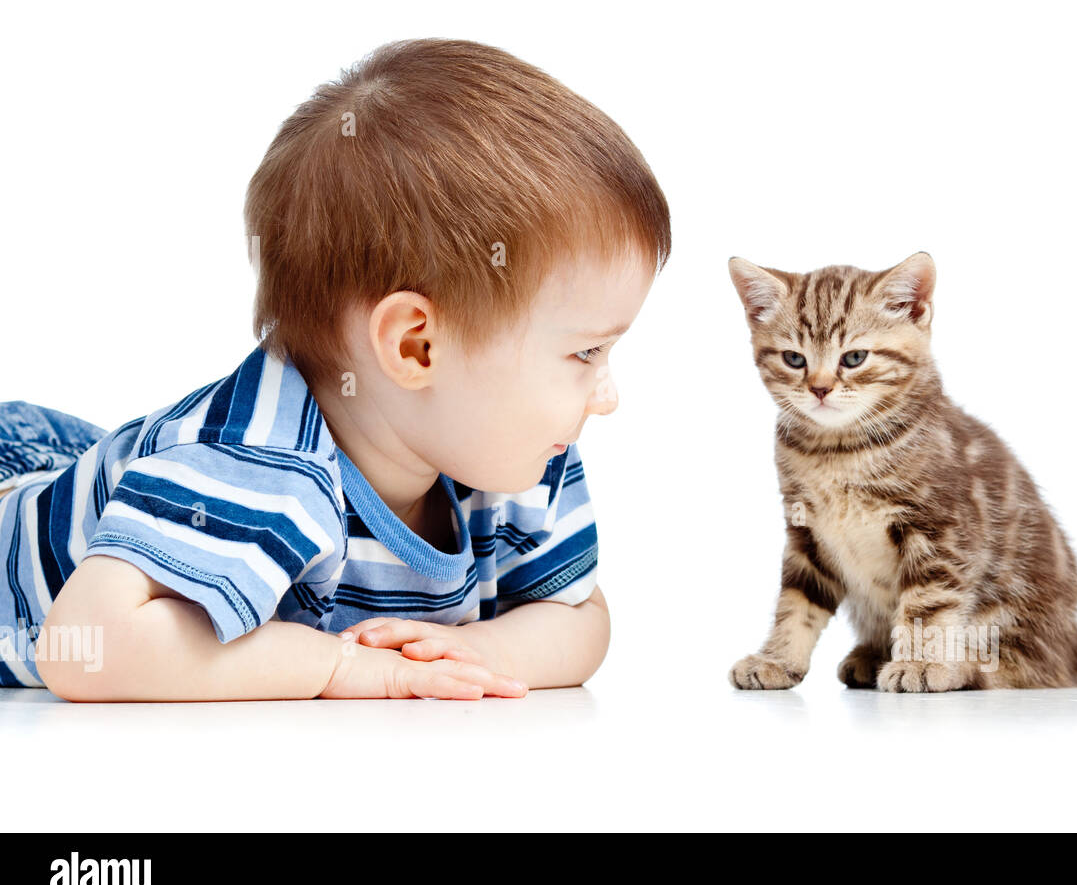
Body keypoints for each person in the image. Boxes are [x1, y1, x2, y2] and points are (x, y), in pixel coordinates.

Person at [0, 38, 669, 701]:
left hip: (97, 466)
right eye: (586, 353)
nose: (606, 395)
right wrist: (337, 667)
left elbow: (582, 616)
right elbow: (81, 646)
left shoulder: (519, 459)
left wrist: (479, 649)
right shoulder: (263, 469)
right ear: (416, 348)